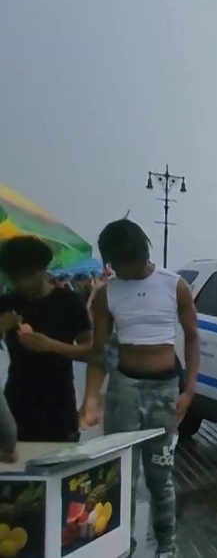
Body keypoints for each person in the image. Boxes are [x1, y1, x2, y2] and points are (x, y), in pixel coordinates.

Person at [79, 218, 200, 558]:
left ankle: (167, 546)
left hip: (164, 389)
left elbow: (192, 337)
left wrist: (188, 391)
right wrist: (90, 398)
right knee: (122, 476)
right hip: (124, 390)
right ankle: (122, 546)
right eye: (114, 265)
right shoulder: (107, 293)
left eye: (124, 264)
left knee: (161, 476)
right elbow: (100, 352)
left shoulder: (174, 286)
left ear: (141, 254)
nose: (121, 271)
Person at [0, 236, 93, 443]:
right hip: (16, 402)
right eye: (16, 278)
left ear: (44, 269)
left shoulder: (67, 302)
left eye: (29, 275)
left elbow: (91, 351)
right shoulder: (7, 303)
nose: (23, 284)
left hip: (59, 404)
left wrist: (50, 345)